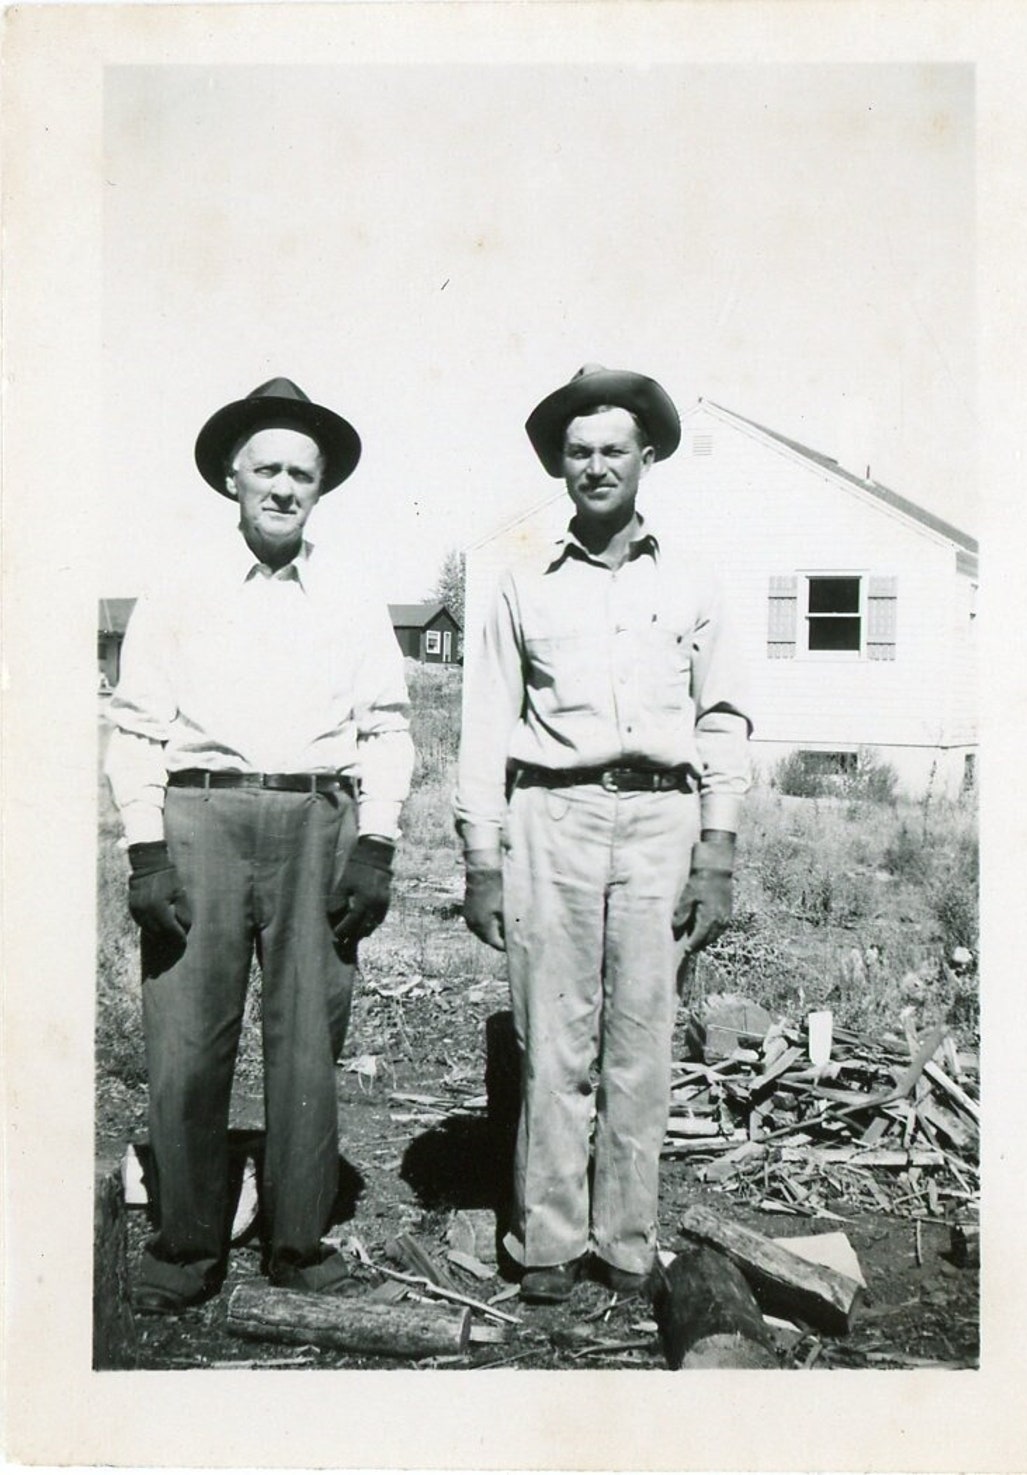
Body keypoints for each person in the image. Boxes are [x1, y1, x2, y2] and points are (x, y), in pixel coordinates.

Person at [106, 377, 415, 1313]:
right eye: (268, 468)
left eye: (303, 474)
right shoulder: (180, 588)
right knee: (188, 1037)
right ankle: (187, 1242)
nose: (284, 486)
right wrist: (148, 851)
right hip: (201, 819)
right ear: (232, 478)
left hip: (317, 821)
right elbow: (135, 727)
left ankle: (296, 1236)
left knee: (309, 1036)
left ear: (321, 489)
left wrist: (378, 843)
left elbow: (389, 727)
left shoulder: (353, 594)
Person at [455, 363, 752, 1304]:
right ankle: (546, 1242)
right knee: (556, 1038)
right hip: (553, 816)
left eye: (612, 449)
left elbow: (723, 722)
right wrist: (479, 860)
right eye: (577, 452)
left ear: (647, 456)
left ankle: (626, 1243)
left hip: (664, 821)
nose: (595, 466)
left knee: (642, 1038)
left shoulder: (696, 580)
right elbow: (484, 728)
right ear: (561, 465)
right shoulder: (517, 582)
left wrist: (718, 852)